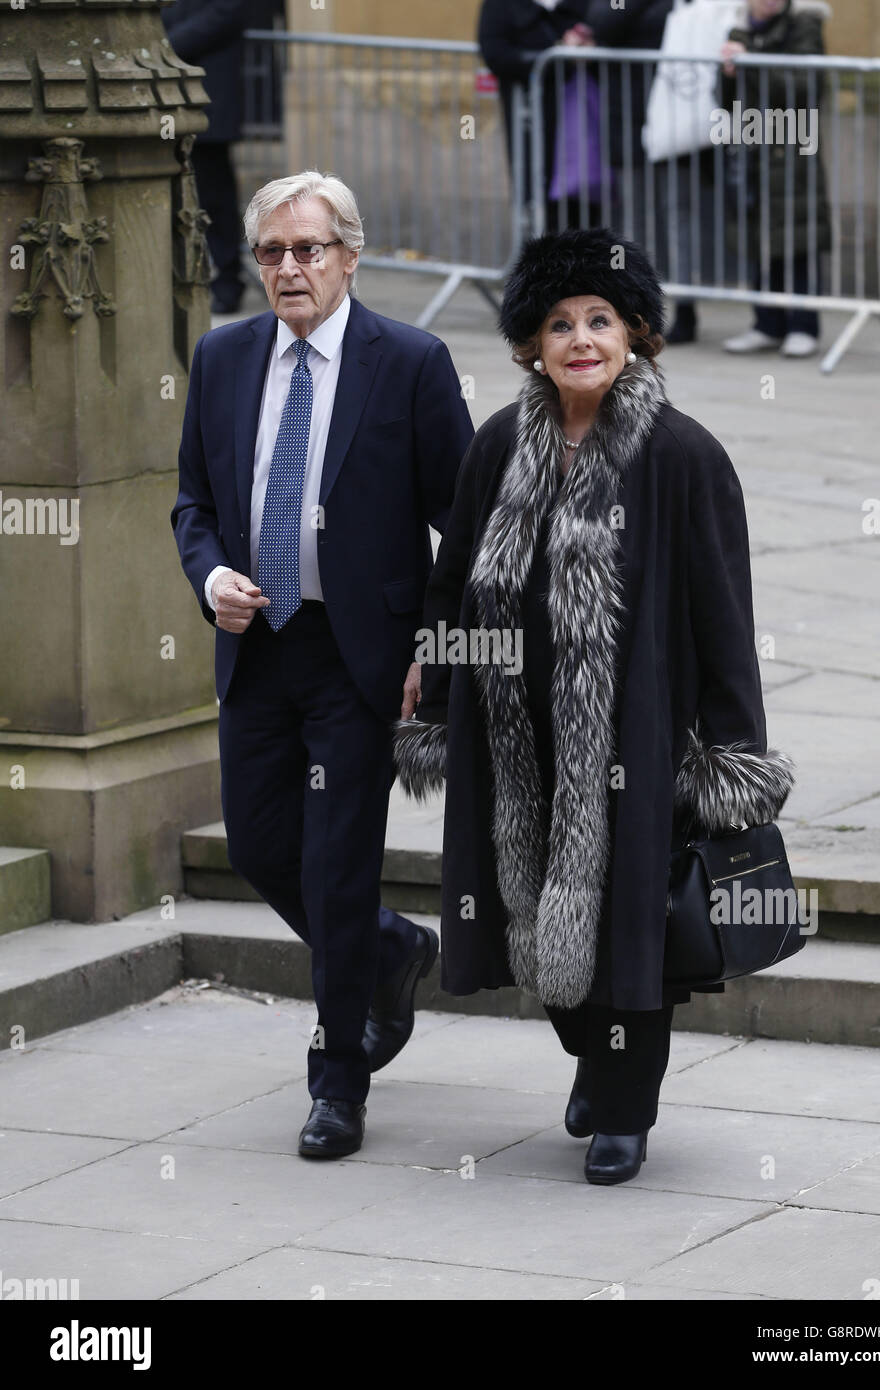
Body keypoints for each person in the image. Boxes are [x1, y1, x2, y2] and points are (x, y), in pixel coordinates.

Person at [393, 228, 794, 1186]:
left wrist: (730, 750)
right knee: (532, 924)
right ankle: (590, 1049)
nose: (580, 339)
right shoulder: (498, 444)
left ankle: (624, 1110)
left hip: (639, 734)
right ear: (532, 342)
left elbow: (724, 611)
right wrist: (436, 685)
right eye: (559, 323)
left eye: (600, 321)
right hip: (513, 730)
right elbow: (453, 586)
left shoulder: (683, 456)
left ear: (636, 334)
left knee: (629, 929)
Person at [171, 170, 474, 1160]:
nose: (289, 269)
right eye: (271, 253)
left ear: (349, 255)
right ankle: (391, 948)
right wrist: (209, 571)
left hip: (361, 659)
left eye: (308, 249)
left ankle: (338, 1078)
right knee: (261, 846)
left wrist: (434, 644)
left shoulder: (410, 362)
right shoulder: (221, 358)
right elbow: (192, 503)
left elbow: (461, 528)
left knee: (337, 867)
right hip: (257, 648)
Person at [587, 0, 707, 345]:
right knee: (634, 220)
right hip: (628, 115)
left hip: (678, 117)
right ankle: (636, 310)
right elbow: (604, 22)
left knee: (679, 211)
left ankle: (685, 308)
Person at [720, 0, 832, 357]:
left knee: (798, 235)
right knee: (755, 233)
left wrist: (749, 60)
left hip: (792, 145)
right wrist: (727, 74)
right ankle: (766, 322)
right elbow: (726, 100)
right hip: (752, 144)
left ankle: (803, 324)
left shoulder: (804, 24)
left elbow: (803, 88)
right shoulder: (738, 29)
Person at [163, 0, 254, 314]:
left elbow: (227, 12)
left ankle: (226, 279)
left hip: (208, 93)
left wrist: (165, 45)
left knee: (213, 197)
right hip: (166, 94)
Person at [478, 0, 597, 231]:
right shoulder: (502, 6)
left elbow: (610, 29)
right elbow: (495, 53)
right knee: (537, 204)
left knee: (582, 210)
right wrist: (555, 57)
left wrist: (587, 47)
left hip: (581, 123)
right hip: (530, 121)